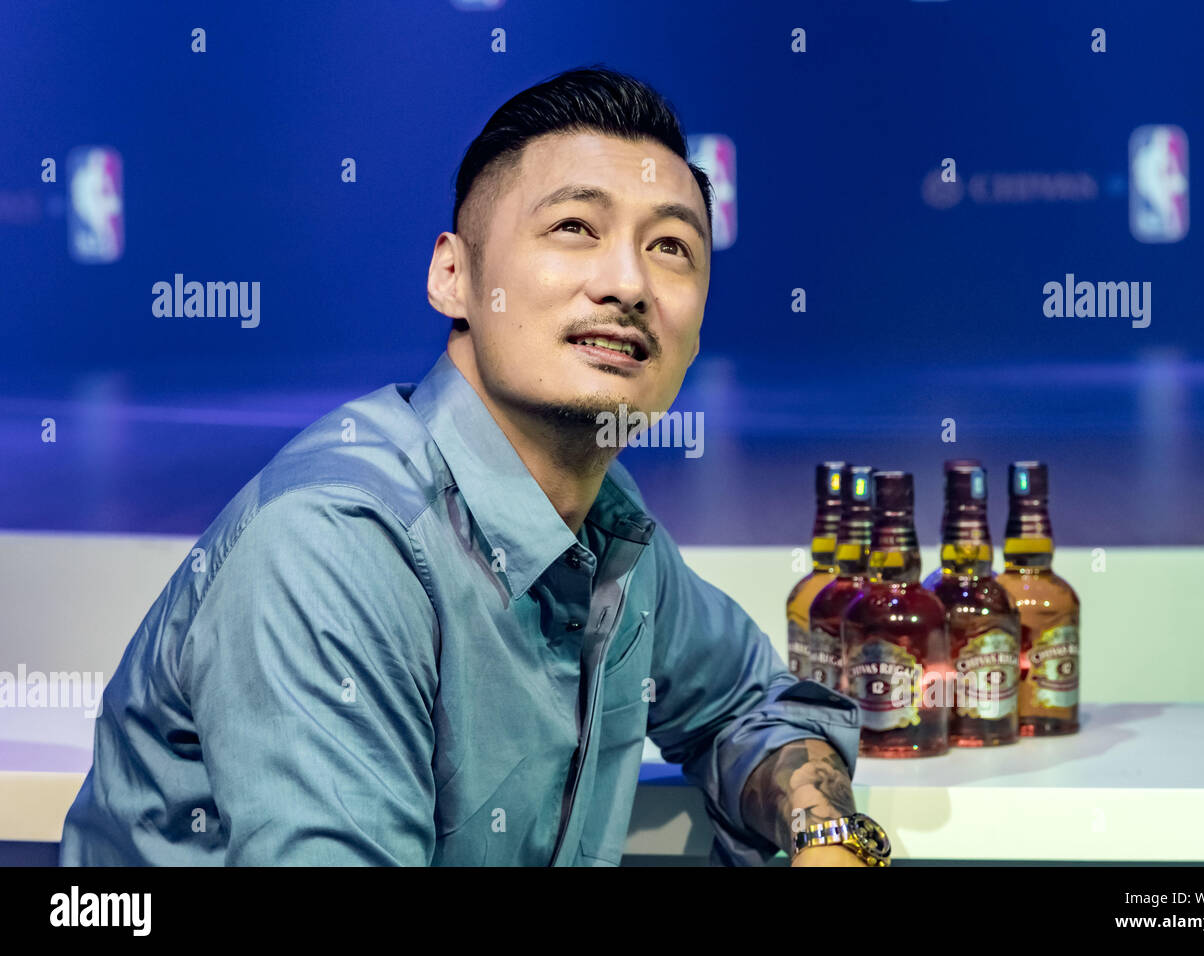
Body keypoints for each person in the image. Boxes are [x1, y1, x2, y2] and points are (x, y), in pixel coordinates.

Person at [60, 66, 878, 867]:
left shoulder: (609, 529)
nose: (627, 282)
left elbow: (751, 705)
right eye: (574, 228)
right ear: (454, 275)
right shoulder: (334, 546)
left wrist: (827, 838)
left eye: (670, 246)